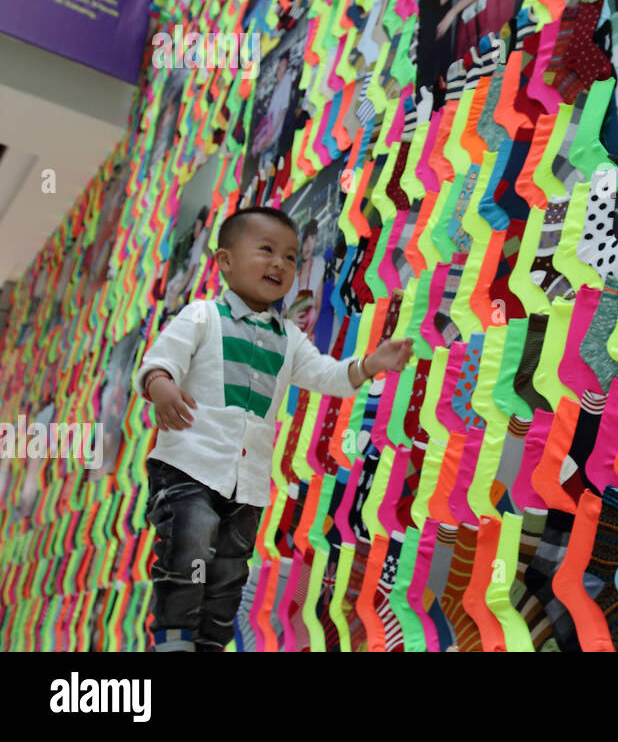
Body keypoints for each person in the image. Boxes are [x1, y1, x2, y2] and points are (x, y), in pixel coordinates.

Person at [133, 206, 414, 652]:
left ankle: (209, 643)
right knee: (192, 541)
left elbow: (326, 376)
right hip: (189, 466)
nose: (279, 264)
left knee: (228, 568)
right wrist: (161, 385)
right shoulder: (202, 316)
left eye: (289, 257)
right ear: (225, 261)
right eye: (266, 251)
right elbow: (158, 362)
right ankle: (173, 637)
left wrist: (370, 364)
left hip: (247, 483)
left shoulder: (289, 337)